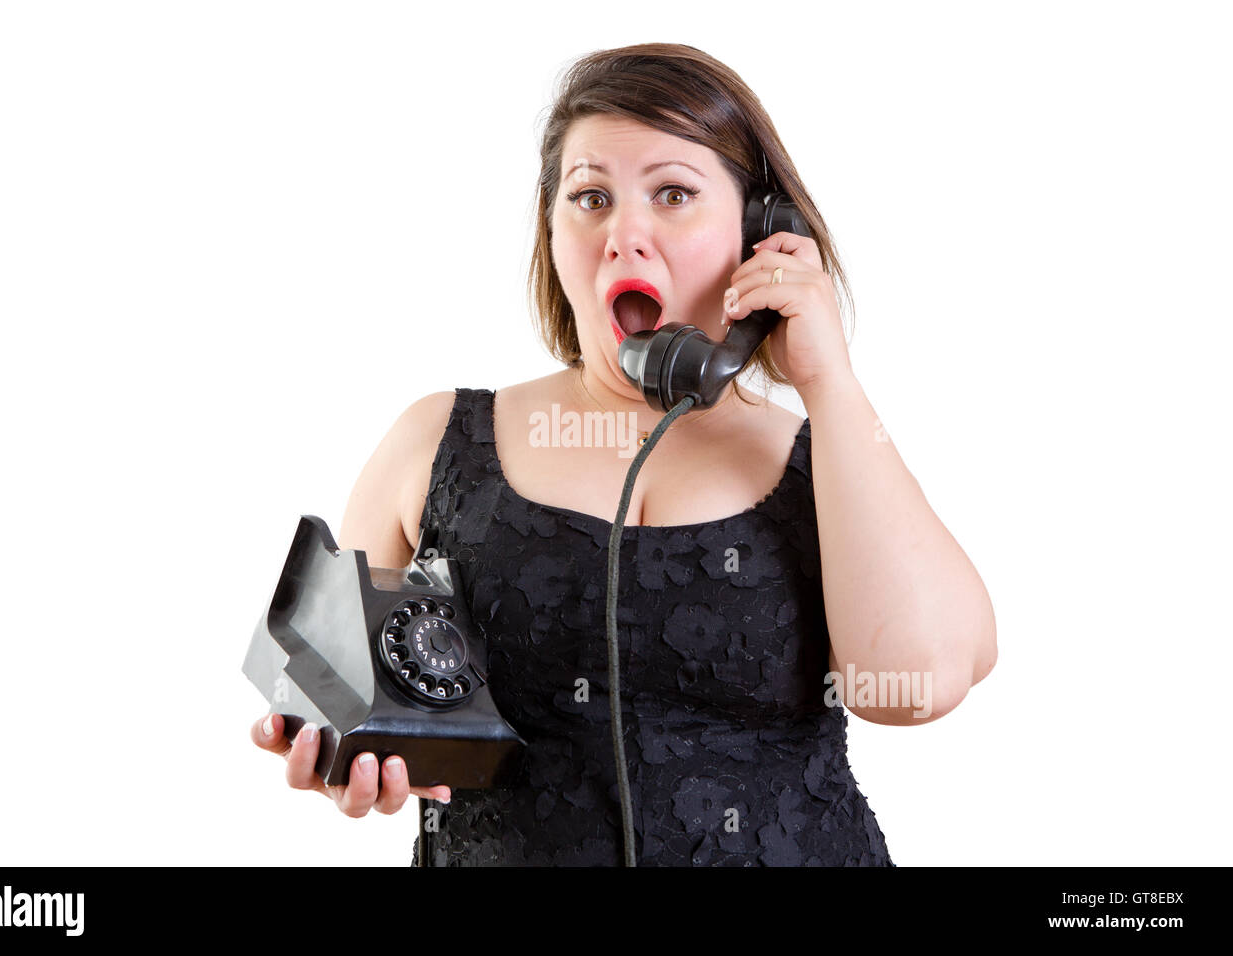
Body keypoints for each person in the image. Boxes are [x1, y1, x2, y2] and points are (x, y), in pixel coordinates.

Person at [251, 42, 997, 866]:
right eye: (591, 198)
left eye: (673, 193)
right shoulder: (435, 445)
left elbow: (918, 686)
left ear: (761, 234)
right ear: (552, 231)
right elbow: (341, 694)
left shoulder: (827, 459)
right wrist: (343, 752)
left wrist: (830, 383)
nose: (624, 235)